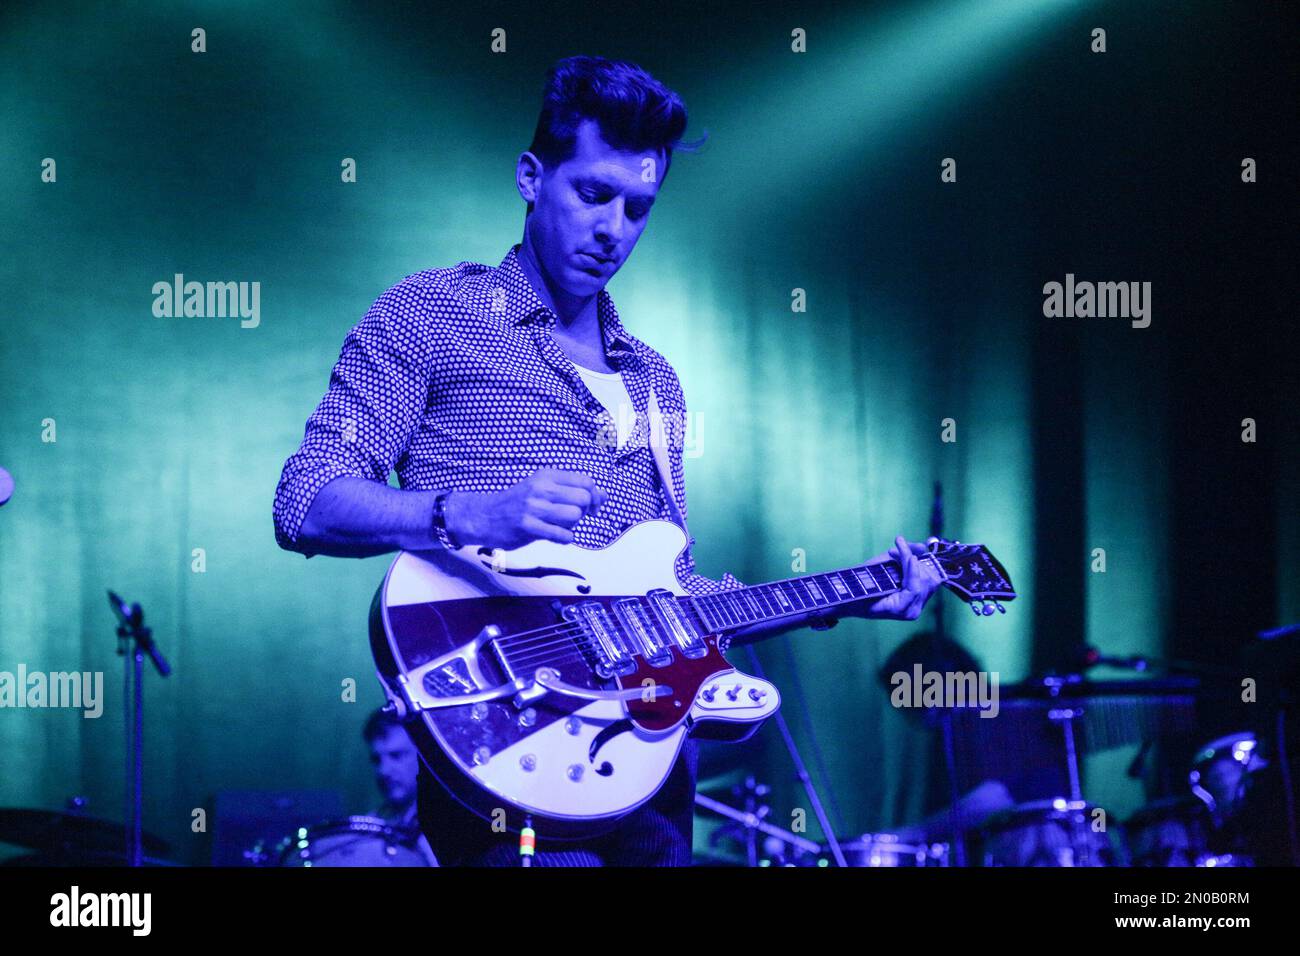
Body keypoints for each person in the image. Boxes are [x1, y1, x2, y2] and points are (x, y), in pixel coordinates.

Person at [274, 54, 942, 865]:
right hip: (509, 739)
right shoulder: (432, 313)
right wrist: (464, 515)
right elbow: (305, 501)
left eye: (638, 208)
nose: (612, 230)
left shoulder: (655, 380)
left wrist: (846, 595)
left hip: (650, 762)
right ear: (532, 176)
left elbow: (671, 592)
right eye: (592, 194)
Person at [361, 708, 438, 866]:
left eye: (396, 756)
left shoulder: (452, 826)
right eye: (376, 760)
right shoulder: (366, 829)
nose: (384, 771)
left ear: (422, 756)